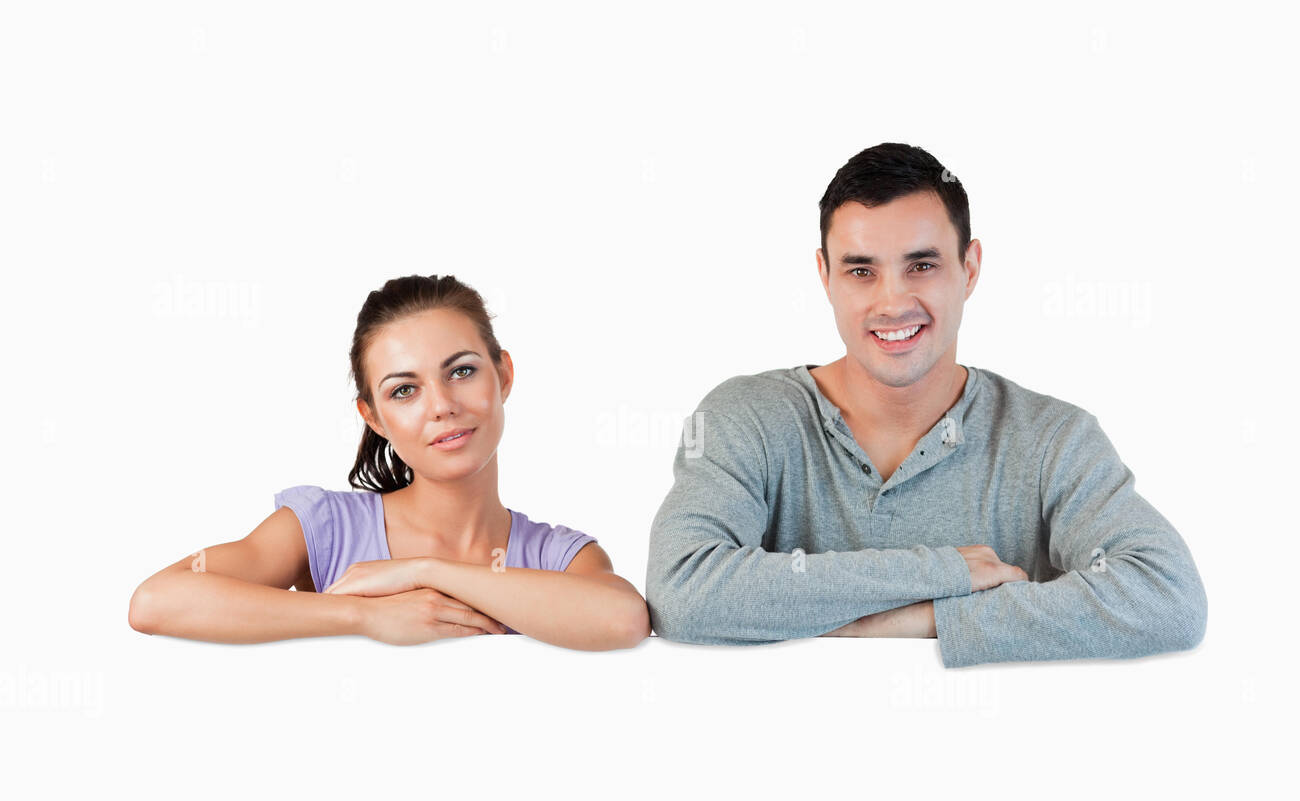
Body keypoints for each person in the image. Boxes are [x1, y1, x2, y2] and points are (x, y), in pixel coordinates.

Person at [644, 143, 1208, 667]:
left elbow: (1167, 595)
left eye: (922, 265)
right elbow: (682, 591)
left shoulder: (1053, 439)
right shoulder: (747, 418)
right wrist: (944, 569)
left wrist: (927, 621)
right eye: (861, 270)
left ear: (970, 268)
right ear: (825, 276)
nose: (892, 302)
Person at [129, 274, 650, 651]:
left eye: (463, 372)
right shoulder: (324, 528)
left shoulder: (558, 556)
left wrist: (423, 572)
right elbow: (157, 601)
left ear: (504, 375)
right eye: (404, 390)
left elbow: (623, 619)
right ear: (373, 416)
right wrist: (363, 614)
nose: (442, 405)